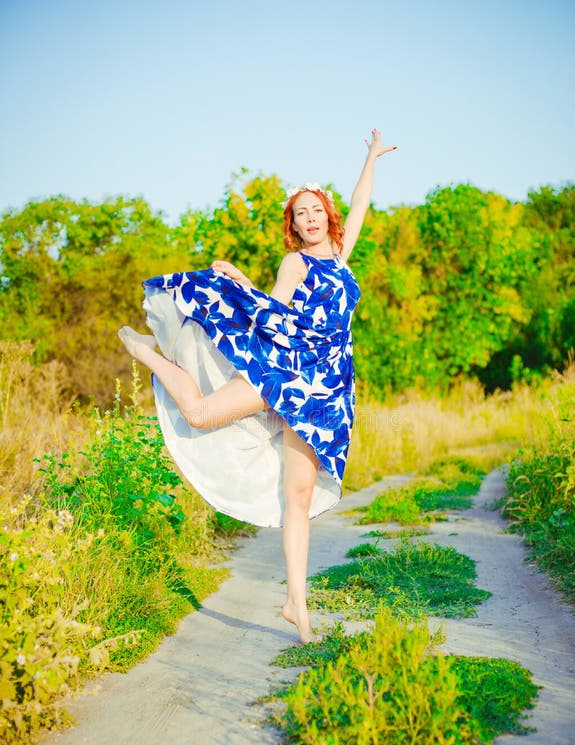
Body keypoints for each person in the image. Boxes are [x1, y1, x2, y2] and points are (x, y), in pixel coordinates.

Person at [118, 129, 396, 643]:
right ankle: (146, 353)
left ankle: (297, 605)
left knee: (299, 494)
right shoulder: (296, 263)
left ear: (326, 218)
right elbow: (270, 311)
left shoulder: (340, 254)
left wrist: (371, 158)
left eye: (316, 211)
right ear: (292, 226)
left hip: (329, 390)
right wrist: (239, 283)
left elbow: (361, 205)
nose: (309, 219)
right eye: (300, 214)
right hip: (288, 374)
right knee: (200, 414)